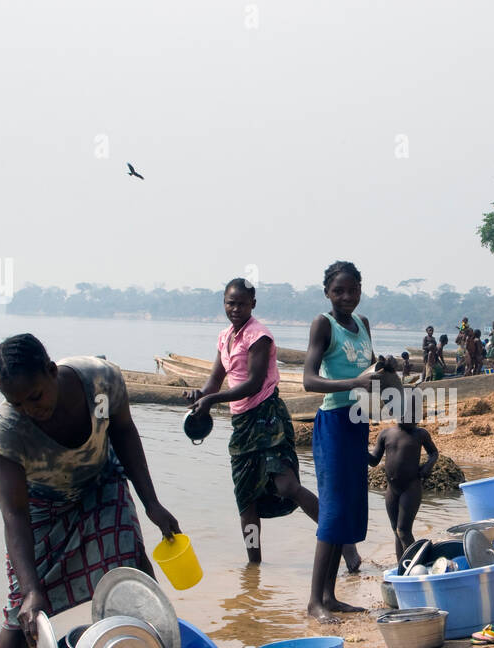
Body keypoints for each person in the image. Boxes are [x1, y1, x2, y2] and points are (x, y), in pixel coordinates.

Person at [0, 334, 181, 648]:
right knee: (21, 614)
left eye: (35, 396)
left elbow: (124, 433)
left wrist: (151, 502)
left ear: (51, 371)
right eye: (16, 402)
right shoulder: (6, 432)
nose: (28, 410)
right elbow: (15, 516)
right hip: (41, 509)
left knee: (133, 578)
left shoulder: (100, 381)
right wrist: (30, 590)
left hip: (99, 487)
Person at [186, 279, 360, 570]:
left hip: (267, 418)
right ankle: (254, 567)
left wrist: (212, 400)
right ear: (224, 303)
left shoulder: (259, 336)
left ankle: (344, 543)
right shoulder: (224, 337)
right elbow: (215, 380)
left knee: (288, 485)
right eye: (231, 303)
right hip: (242, 424)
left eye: (242, 303)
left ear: (253, 304)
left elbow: (254, 384)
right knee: (246, 500)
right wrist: (199, 396)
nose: (236, 308)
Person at [302, 261, 390, 623]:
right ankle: (314, 601)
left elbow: (369, 371)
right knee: (333, 512)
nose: (346, 297)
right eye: (339, 291)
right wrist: (351, 384)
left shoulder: (363, 324)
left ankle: (330, 596)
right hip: (334, 422)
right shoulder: (324, 324)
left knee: (347, 511)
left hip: (357, 422)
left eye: (352, 290)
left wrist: (386, 369)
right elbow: (308, 379)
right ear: (327, 293)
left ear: (360, 290)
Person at [367, 389, 439, 564]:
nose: (413, 417)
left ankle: (420, 565)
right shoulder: (386, 435)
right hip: (392, 489)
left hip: (411, 487)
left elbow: (434, 453)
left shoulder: (420, 434)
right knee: (396, 530)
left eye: (416, 413)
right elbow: (374, 461)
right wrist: (357, 447)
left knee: (403, 530)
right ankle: (403, 566)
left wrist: (427, 467)